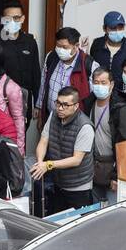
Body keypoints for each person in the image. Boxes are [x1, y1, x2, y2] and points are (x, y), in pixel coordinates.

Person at [31, 86, 95, 215]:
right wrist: (40, 163)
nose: (60, 108)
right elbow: (43, 141)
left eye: (65, 105)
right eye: (58, 103)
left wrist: (48, 165)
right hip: (59, 182)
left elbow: (76, 160)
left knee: (79, 223)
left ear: (76, 106)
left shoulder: (85, 126)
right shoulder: (54, 115)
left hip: (78, 186)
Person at [81, 68, 126, 204]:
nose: (99, 86)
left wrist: (117, 176)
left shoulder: (121, 108)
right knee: (94, 209)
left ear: (111, 84)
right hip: (93, 168)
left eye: (103, 82)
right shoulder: (88, 103)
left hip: (113, 168)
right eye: (96, 82)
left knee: (113, 210)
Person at [0, 0, 42, 132]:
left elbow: (36, 73)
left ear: (22, 18)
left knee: (22, 133)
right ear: (2, 20)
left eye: (16, 18)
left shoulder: (30, 42)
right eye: (8, 19)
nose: (12, 22)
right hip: (4, 100)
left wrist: (37, 104)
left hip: (25, 100)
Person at [36, 27, 95, 127]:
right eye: (58, 46)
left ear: (76, 46)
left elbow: (94, 98)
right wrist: (40, 108)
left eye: (64, 47)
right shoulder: (51, 57)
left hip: (75, 124)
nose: (60, 50)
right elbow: (43, 84)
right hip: (51, 120)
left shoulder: (88, 64)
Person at [89, 11, 126, 79]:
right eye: (113, 28)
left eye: (120, 27)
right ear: (104, 28)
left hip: (123, 89)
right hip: (101, 86)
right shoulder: (97, 44)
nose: (117, 31)